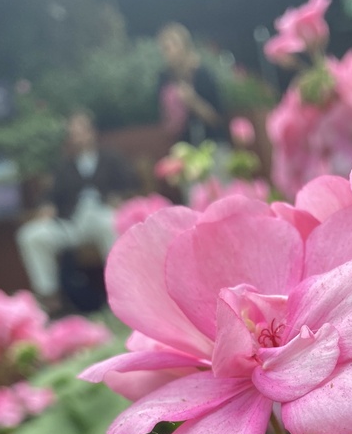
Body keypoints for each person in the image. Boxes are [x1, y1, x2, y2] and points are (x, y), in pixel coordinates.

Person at [15, 109, 138, 313]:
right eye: (73, 132)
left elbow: (130, 184)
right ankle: (50, 299)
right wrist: (47, 206)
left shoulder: (111, 157)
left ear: (92, 131)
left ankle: (123, 293)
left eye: (81, 130)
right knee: (30, 235)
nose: (78, 136)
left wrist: (118, 198)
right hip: (70, 222)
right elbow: (50, 195)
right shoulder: (64, 166)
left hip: (102, 214)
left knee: (112, 224)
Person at [157, 23, 228, 146]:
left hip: (212, 144)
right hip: (183, 147)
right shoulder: (164, 79)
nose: (169, 50)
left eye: (174, 44)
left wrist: (193, 102)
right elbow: (164, 119)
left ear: (186, 47)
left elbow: (217, 119)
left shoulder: (203, 75)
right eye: (165, 47)